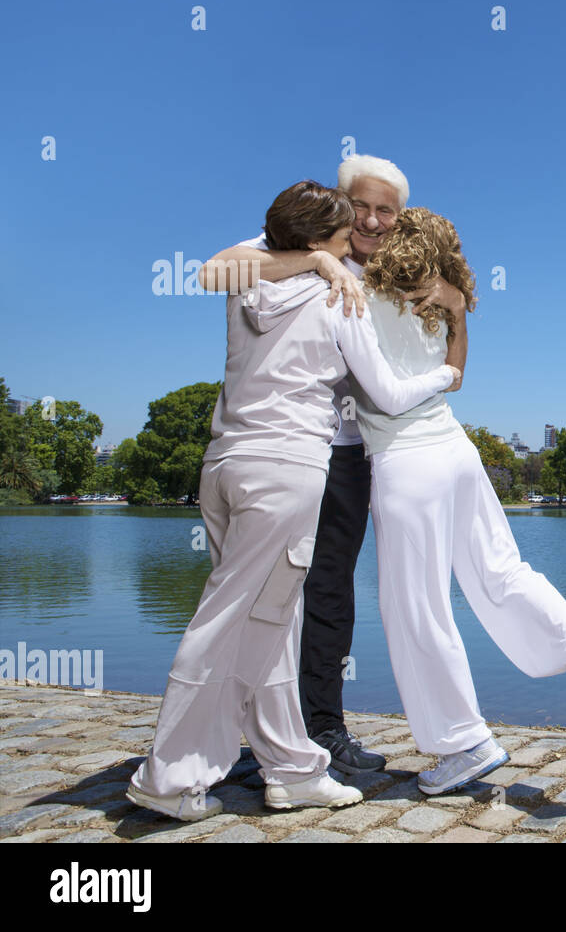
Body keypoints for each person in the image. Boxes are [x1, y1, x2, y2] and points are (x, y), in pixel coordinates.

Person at [128, 182, 461, 820]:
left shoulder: (252, 278)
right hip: (285, 471)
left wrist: (312, 256)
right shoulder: (339, 293)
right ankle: (168, 775)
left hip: (225, 465)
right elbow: (388, 394)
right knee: (227, 623)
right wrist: (448, 372)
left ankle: (292, 767)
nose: (352, 245)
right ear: (316, 243)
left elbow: (217, 266)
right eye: (342, 239)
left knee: (270, 625)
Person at [199, 155, 467, 775]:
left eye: (386, 210)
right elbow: (215, 272)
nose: (371, 220)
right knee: (259, 595)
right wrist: (318, 260)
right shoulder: (290, 249)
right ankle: (256, 730)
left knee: (327, 595)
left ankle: (321, 727)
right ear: (341, 209)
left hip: (348, 455)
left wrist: (454, 306)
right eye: (361, 207)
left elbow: (437, 352)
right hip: (274, 450)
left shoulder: (403, 274)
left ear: (399, 220)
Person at [355, 207, 566, 794]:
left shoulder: (358, 290)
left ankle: (464, 745)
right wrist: (458, 314)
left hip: (406, 461)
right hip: (458, 451)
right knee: (502, 572)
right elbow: (456, 375)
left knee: (417, 608)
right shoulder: (443, 301)